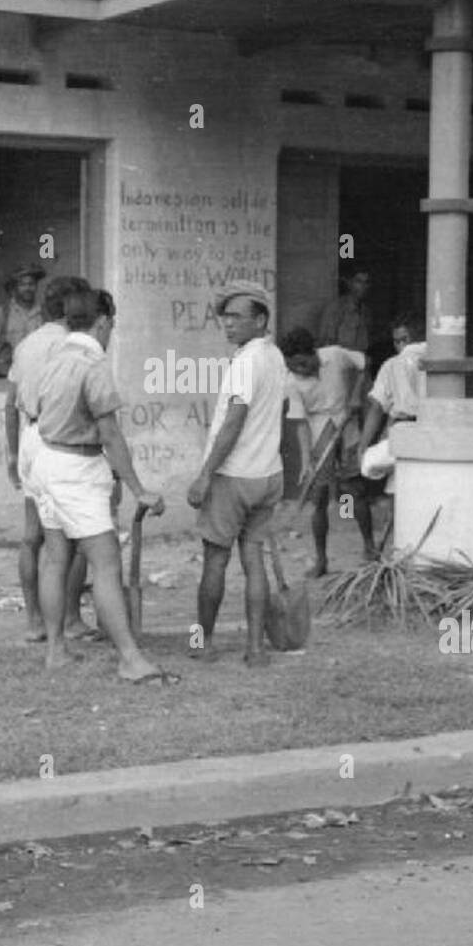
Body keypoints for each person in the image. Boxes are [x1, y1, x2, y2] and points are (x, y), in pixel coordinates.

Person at [27, 289, 176, 683]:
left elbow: (33, 407)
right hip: (76, 469)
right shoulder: (93, 365)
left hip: (47, 460)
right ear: (103, 322)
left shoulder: (53, 356)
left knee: (56, 559)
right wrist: (139, 487)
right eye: (111, 325)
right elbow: (111, 435)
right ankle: (129, 657)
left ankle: (56, 650)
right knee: (106, 564)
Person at [188, 280, 308, 667]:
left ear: (260, 320)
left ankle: (201, 643)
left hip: (233, 476)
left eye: (238, 317)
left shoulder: (245, 361)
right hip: (267, 475)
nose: (228, 324)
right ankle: (255, 649)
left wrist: (206, 473)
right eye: (225, 317)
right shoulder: (275, 358)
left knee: (215, 562)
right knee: (253, 559)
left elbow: (234, 420)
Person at [4, 274, 95, 644]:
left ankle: (34, 622)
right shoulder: (76, 345)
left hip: (30, 435)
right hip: (61, 439)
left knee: (32, 536)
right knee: (73, 535)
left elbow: (9, 405)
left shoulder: (27, 344)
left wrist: (12, 452)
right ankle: (71, 619)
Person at [280, 327, 369, 574]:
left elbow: (364, 364)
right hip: (319, 431)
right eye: (292, 366)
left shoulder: (336, 355)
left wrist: (355, 395)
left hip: (347, 423)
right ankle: (321, 561)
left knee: (353, 490)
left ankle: (369, 549)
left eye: (301, 363)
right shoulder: (291, 382)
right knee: (318, 498)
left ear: (312, 353)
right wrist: (307, 460)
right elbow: (300, 425)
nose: (298, 370)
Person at [357, 308, 428, 506]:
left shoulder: (392, 365)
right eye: (396, 341)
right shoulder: (439, 359)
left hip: (404, 431)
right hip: (433, 431)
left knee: (397, 495)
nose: (398, 346)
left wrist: (363, 445)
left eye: (402, 340)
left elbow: (377, 408)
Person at [0, 263, 46, 376]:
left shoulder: (45, 313)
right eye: (22, 285)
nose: (28, 288)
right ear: (15, 288)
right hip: (7, 374)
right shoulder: (3, 312)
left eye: (31, 284)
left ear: (36, 286)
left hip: (36, 374)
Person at [316, 268, 372, 355]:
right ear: (349, 283)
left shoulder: (366, 311)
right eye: (358, 281)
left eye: (366, 282)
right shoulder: (336, 308)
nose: (363, 286)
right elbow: (326, 343)